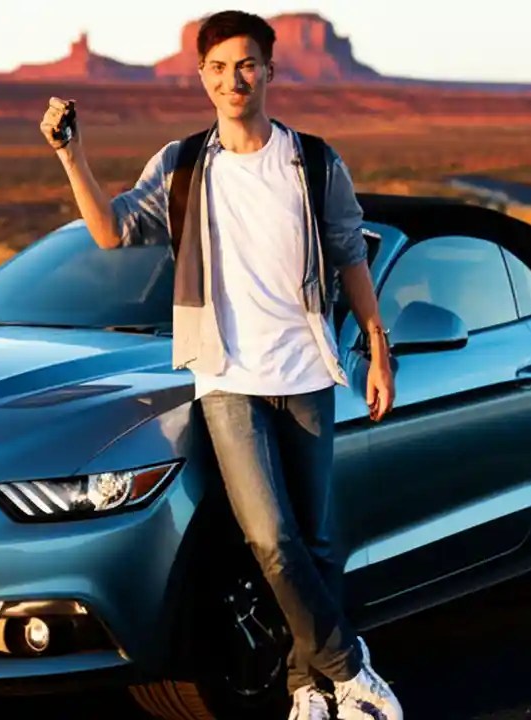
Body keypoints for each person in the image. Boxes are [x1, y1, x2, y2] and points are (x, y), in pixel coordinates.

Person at [39, 10, 401, 720]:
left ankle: (308, 690)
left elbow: (351, 256)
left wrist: (377, 347)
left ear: (269, 71)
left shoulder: (315, 162)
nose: (233, 79)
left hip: (306, 371)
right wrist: (70, 154)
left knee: (316, 541)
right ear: (201, 77)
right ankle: (353, 669)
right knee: (270, 537)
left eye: (246, 65)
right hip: (227, 378)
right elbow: (110, 232)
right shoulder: (182, 165)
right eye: (218, 67)